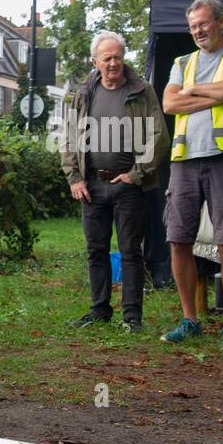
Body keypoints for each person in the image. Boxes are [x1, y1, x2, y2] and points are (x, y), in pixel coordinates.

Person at [160, 0, 223, 351]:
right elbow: (170, 104)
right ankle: (190, 320)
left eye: (203, 24)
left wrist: (194, 90)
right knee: (178, 238)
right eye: (192, 27)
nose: (198, 31)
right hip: (184, 158)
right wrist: (217, 93)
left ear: (219, 22)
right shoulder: (181, 62)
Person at [62, 31, 169, 332]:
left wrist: (136, 174)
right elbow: (69, 137)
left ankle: (131, 316)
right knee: (95, 250)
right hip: (92, 185)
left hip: (129, 187)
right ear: (95, 61)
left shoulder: (141, 90)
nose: (113, 63)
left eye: (118, 57)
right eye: (107, 58)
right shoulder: (84, 93)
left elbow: (159, 137)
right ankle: (100, 310)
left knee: (130, 251)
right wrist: (74, 177)